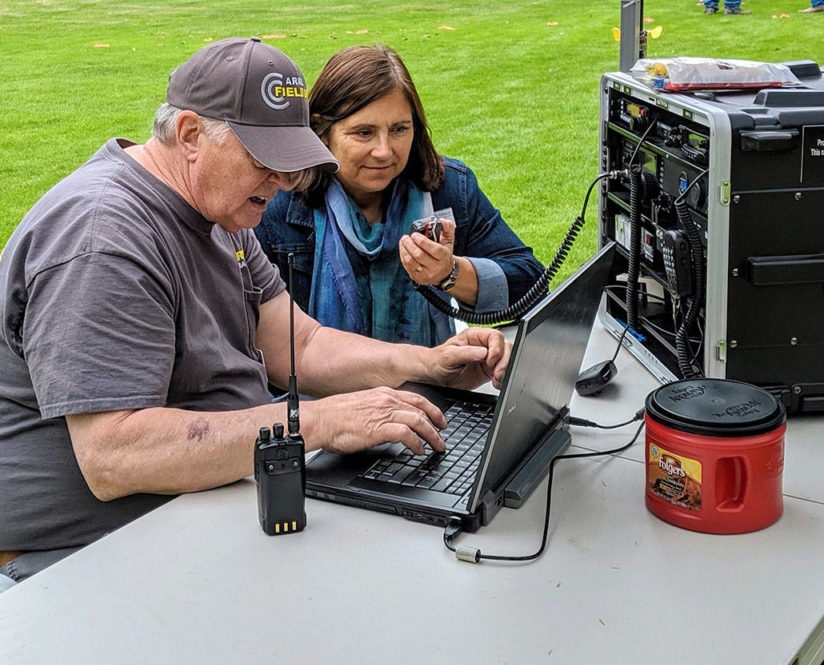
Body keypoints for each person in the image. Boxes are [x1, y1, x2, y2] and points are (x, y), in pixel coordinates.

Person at [0, 37, 511, 587]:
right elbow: (115, 456)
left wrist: (428, 363)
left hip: (208, 504)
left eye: (291, 162)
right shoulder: (104, 238)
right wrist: (317, 422)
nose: (286, 182)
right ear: (192, 135)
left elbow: (303, 344)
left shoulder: (217, 211)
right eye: (266, 161)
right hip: (85, 555)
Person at [254, 45, 544, 347]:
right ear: (321, 131)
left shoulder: (448, 188)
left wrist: (451, 272)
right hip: (324, 393)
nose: (384, 151)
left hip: (430, 383)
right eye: (363, 133)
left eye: (399, 129)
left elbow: (532, 290)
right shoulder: (276, 203)